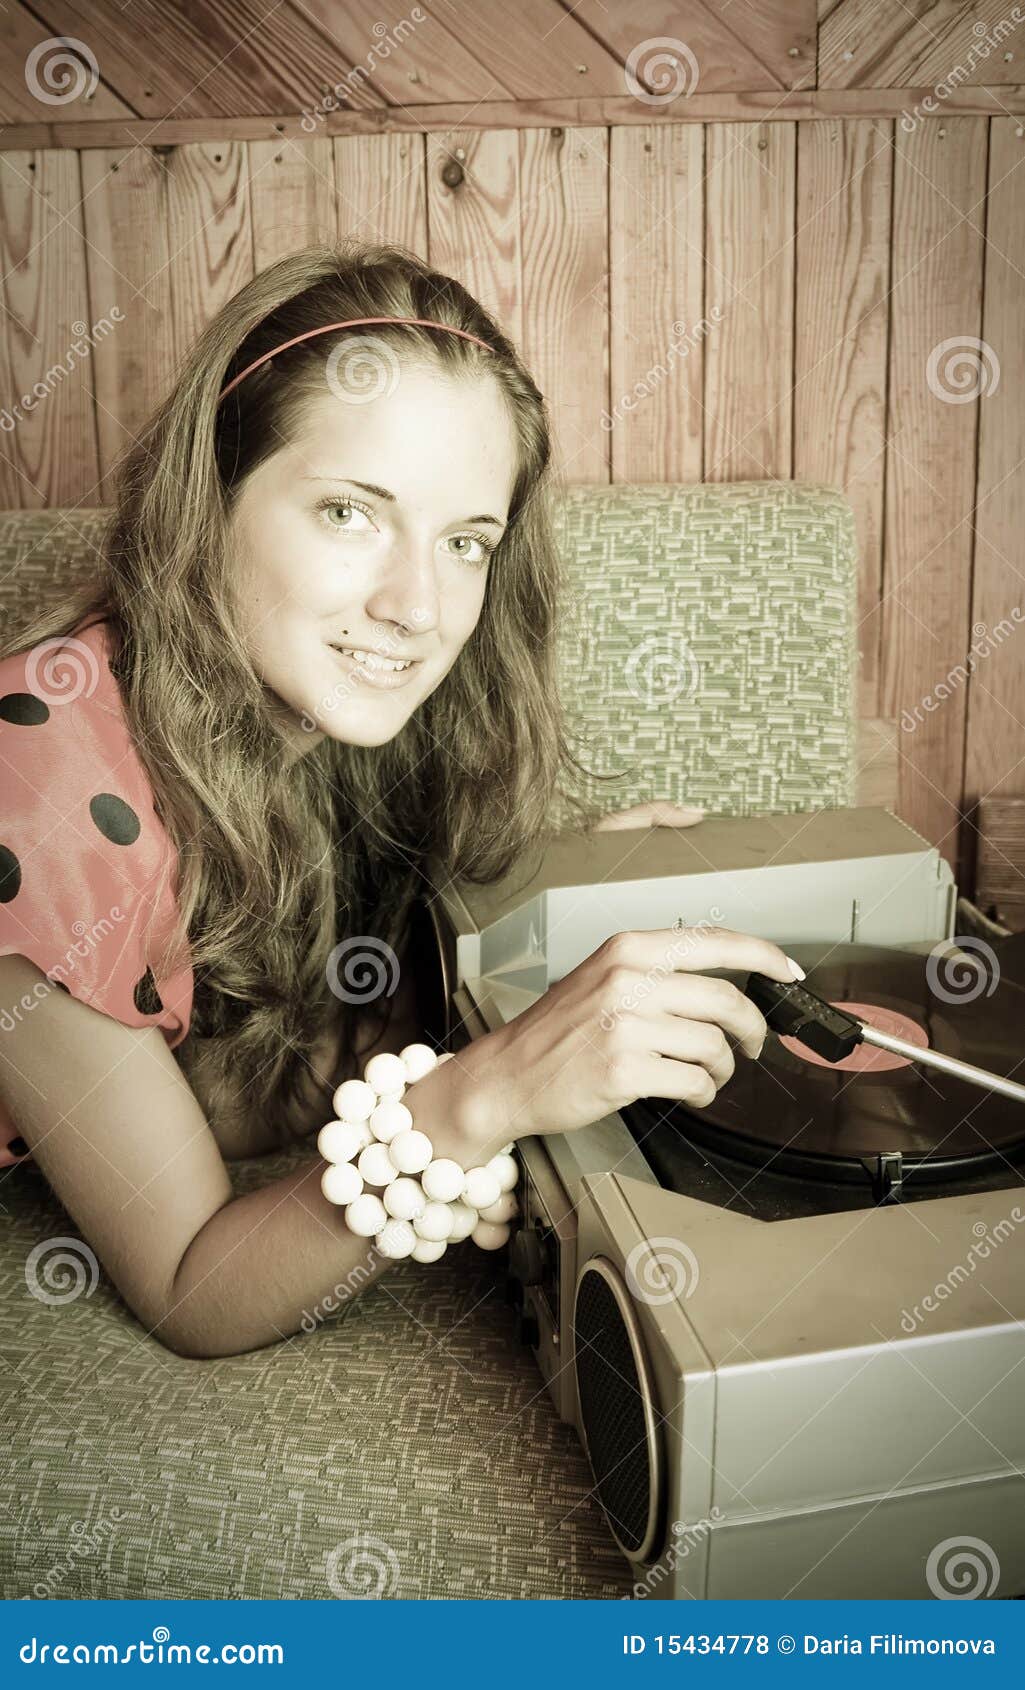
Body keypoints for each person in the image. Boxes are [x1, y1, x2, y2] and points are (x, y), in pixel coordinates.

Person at [0, 240, 801, 1358]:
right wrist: (479, 1099)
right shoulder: (34, 792)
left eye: (465, 540)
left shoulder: (311, 711)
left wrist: (541, 907)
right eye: (349, 513)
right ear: (210, 496)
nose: (418, 606)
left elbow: (227, 1083)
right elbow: (193, 1290)